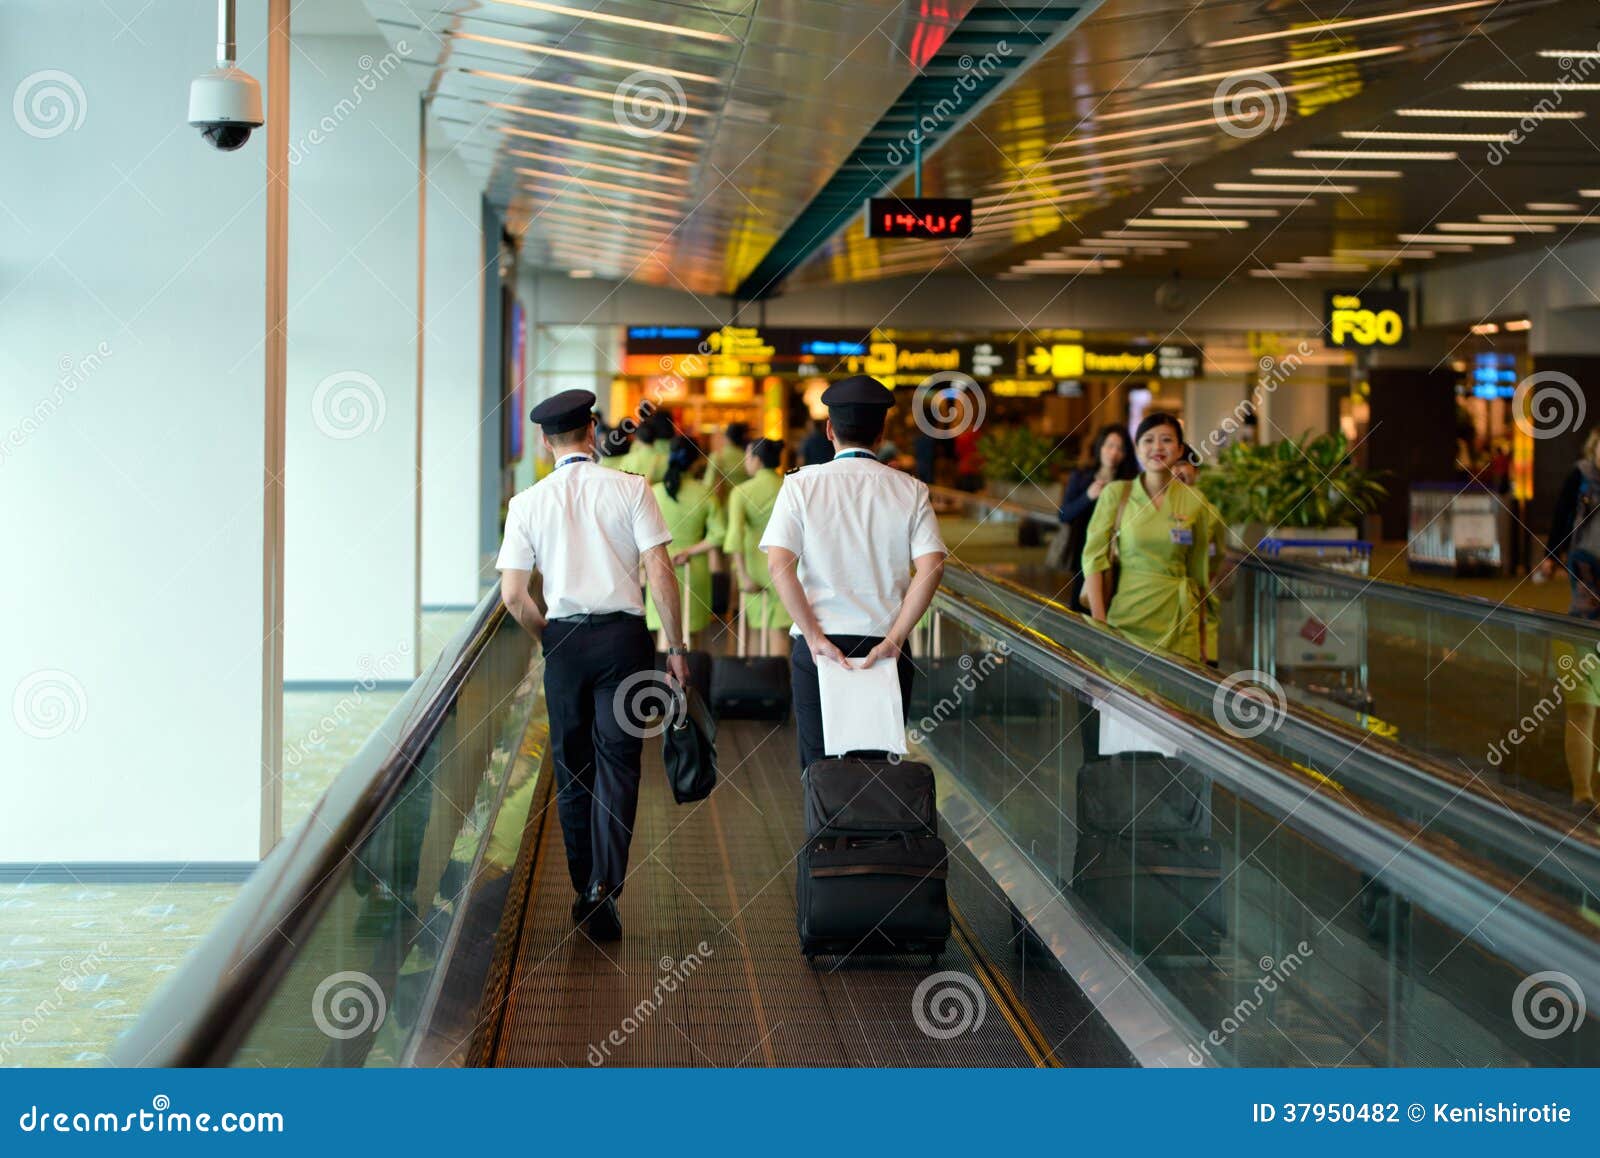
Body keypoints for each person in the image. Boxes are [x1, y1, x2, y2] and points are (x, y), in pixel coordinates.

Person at [496, 389, 691, 942]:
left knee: (572, 765)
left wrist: (548, 638)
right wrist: (675, 649)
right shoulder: (631, 489)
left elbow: (514, 596)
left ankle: (585, 884)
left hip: (565, 644)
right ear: (592, 430)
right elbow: (659, 569)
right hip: (625, 643)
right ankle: (605, 886)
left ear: (543, 440)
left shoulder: (528, 502)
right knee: (620, 765)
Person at [762, 375, 948, 771]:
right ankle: (875, 834)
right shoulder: (911, 489)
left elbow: (780, 564)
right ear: (881, 433)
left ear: (830, 430)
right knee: (880, 769)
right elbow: (931, 566)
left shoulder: (800, 485)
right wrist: (896, 640)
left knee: (819, 768)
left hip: (821, 646)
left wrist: (813, 638)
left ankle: (825, 835)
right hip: (885, 645)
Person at [1081, 412, 1211, 662]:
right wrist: (1100, 623)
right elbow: (1094, 559)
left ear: (1180, 448)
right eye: (1148, 440)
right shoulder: (1117, 494)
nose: (1157, 447)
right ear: (1138, 449)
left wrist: (1203, 639)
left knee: (1176, 699)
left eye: (1166, 440)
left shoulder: (1195, 501)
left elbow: (1198, 575)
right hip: (1129, 616)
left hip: (1181, 625)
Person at [1544, 426, 1600, 812]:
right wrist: (1550, 560)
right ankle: (1583, 795)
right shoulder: (1579, 478)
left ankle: (1584, 795)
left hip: (1578, 617)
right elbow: (1560, 527)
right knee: (1581, 707)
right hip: (1579, 620)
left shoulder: (1579, 477)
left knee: (1582, 708)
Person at [645, 436, 725, 651]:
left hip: (659, 567)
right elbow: (719, 534)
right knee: (693, 630)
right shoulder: (705, 493)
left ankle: (664, 680)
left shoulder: (654, 492)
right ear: (697, 462)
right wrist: (689, 550)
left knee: (665, 629)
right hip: (694, 568)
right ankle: (692, 681)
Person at [723, 437, 794, 655]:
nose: (745, 461)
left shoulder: (741, 492)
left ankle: (757, 684)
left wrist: (742, 574)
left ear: (757, 460)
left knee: (755, 627)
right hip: (789, 564)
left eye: (747, 456)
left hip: (753, 565)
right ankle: (780, 683)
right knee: (780, 631)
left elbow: (735, 537)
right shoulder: (790, 486)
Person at [1055, 424, 1136, 608]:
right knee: (1081, 603)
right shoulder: (1082, 477)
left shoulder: (1129, 483)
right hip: (1084, 551)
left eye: (1120, 448)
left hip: (1117, 554)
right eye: (1109, 445)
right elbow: (1063, 515)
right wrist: (1088, 496)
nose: (1113, 452)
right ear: (1100, 447)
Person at [1171, 443, 1222, 667]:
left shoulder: (1209, 512)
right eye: (1172, 466)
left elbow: (1218, 555)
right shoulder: (1157, 510)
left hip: (1201, 608)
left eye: (1183, 465)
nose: (1177, 471)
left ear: (1196, 471)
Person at [708, 421, 751, 494]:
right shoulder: (749, 458)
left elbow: (708, 485)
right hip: (746, 502)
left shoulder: (717, 457)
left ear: (726, 438)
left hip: (725, 503)